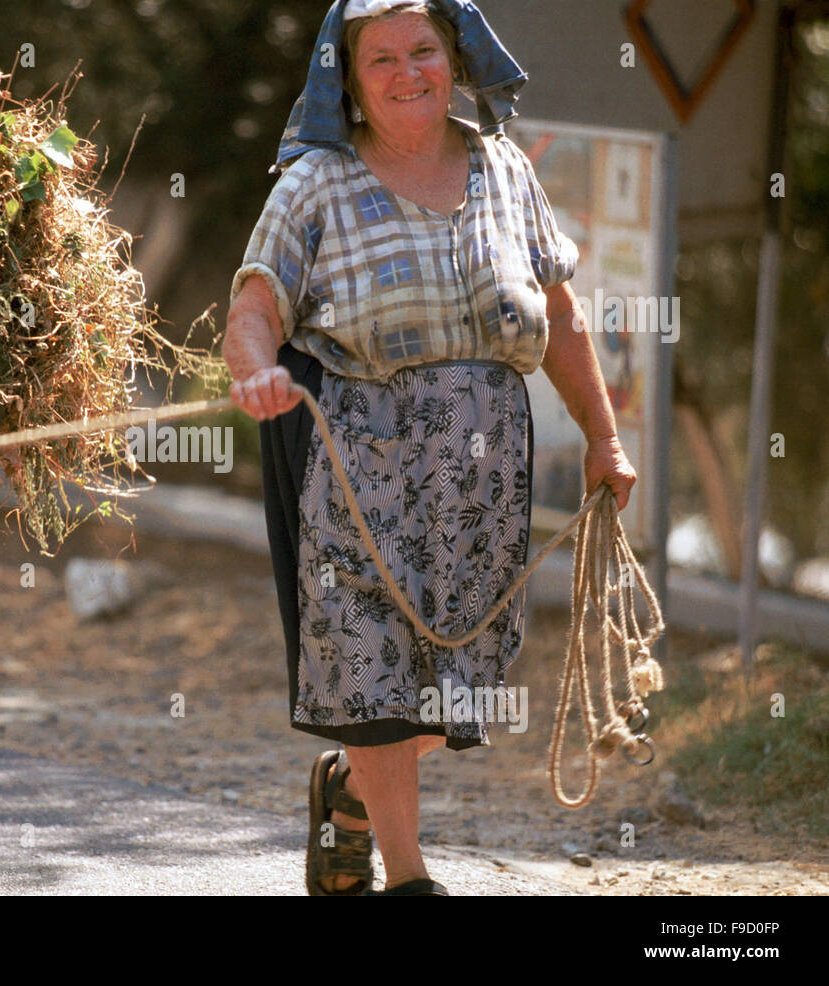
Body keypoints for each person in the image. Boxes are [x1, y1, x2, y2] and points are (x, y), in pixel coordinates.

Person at [224, 0, 636, 896]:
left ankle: (349, 793)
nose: (408, 72)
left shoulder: (502, 170)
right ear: (349, 80)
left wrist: (605, 439)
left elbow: (559, 316)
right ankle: (411, 877)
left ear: (453, 59)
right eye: (383, 59)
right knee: (369, 669)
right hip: (356, 463)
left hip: (481, 480)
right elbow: (253, 309)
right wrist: (256, 371)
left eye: (424, 51)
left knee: (450, 688)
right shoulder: (314, 184)